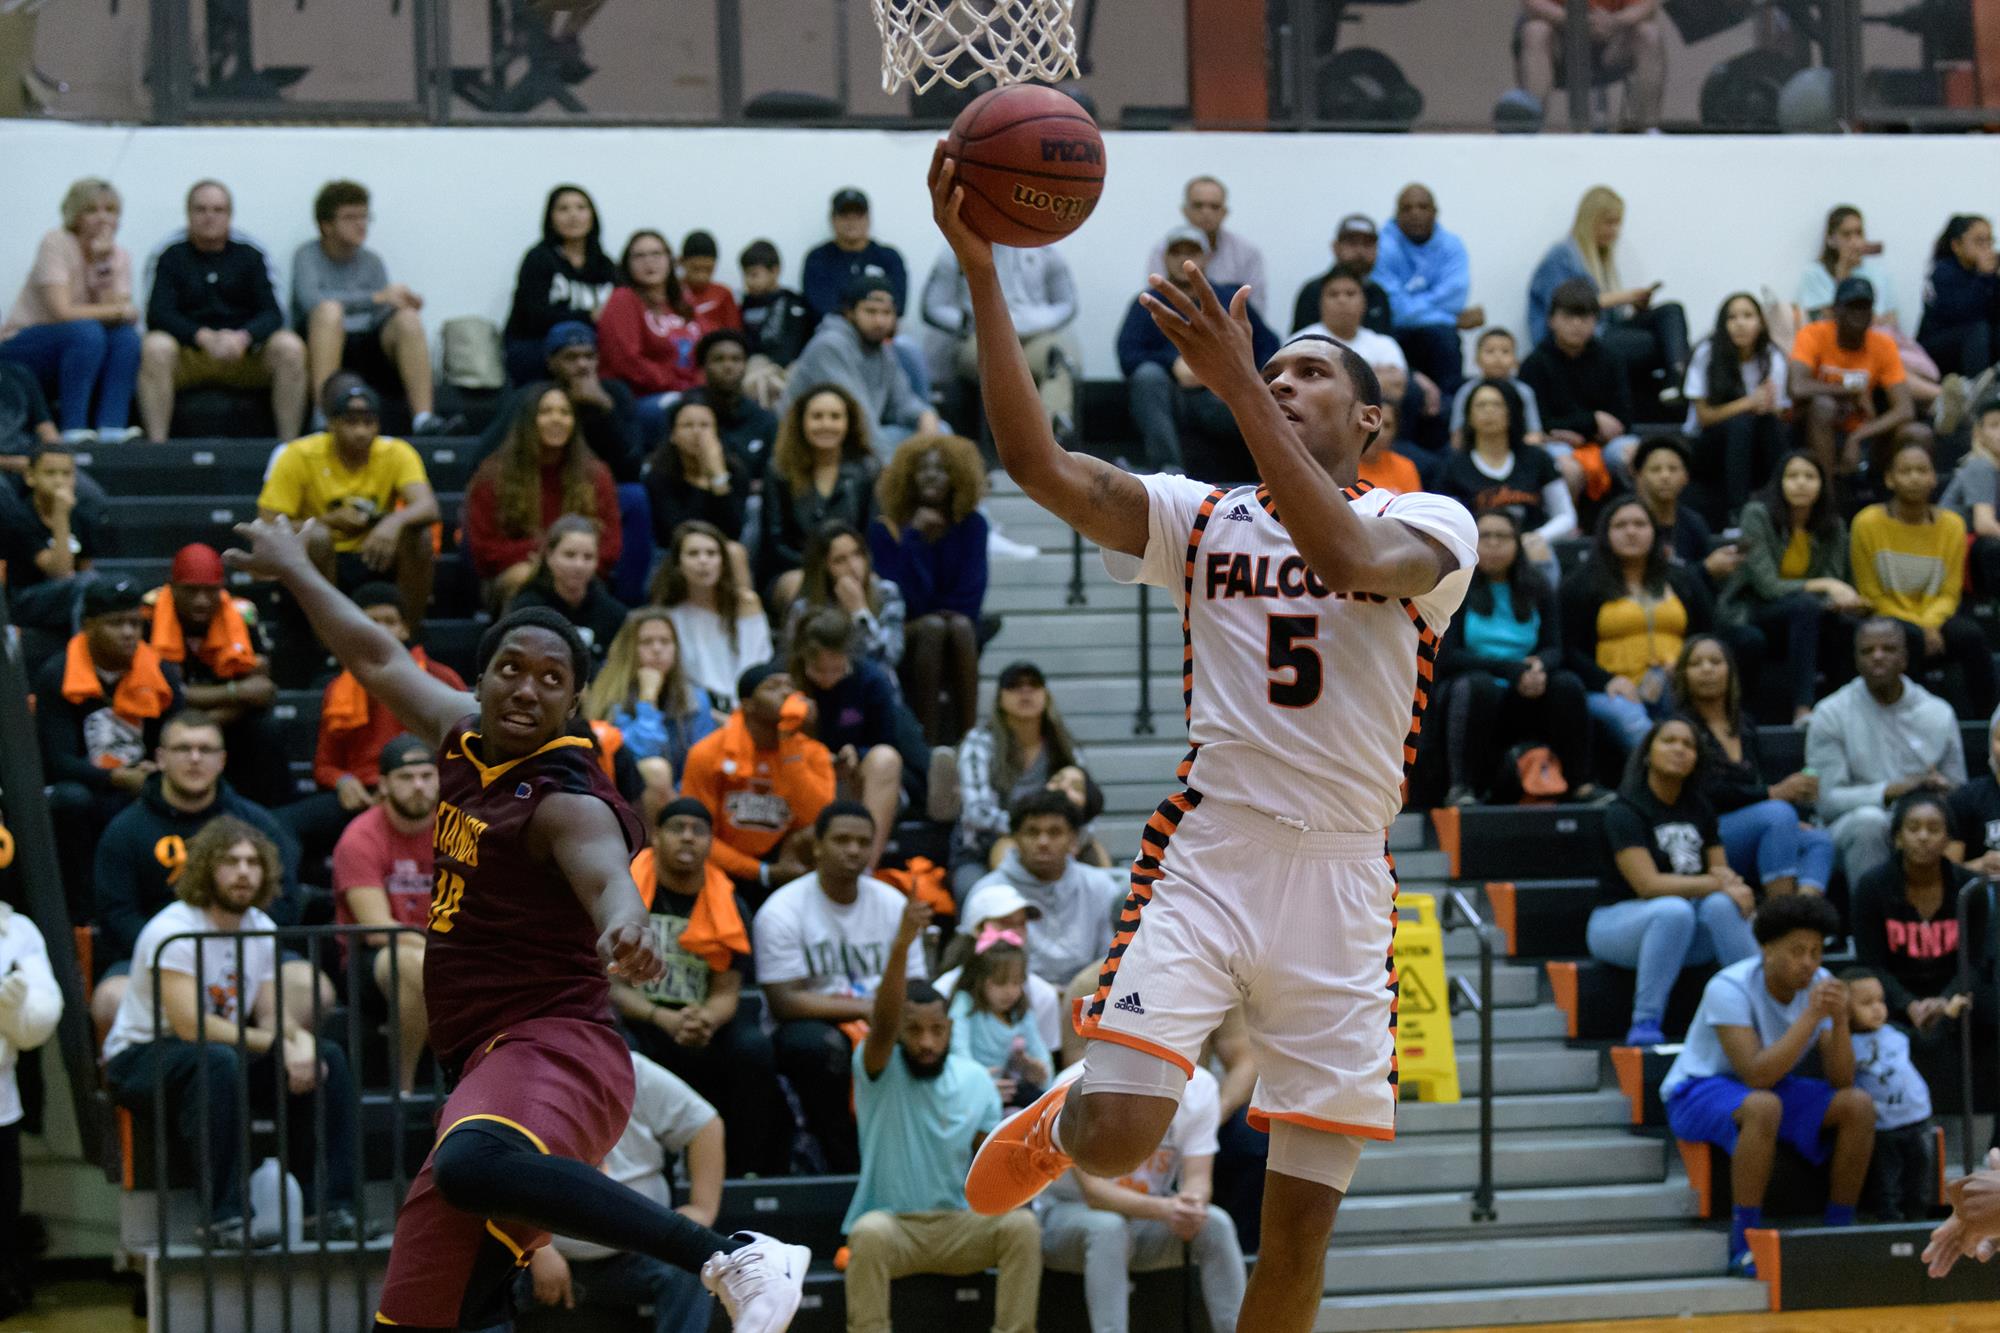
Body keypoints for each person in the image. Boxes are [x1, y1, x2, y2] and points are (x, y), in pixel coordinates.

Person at [932, 144, 1480, 1332]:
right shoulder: (1202, 515)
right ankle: (1072, 1104)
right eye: (1264, 369)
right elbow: (1033, 464)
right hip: (1212, 855)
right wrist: (981, 271)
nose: (1277, 381)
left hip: (1342, 883)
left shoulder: (1426, 517)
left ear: (1371, 414)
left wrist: (1232, 385)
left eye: (1305, 373)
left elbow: (1343, 558)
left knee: (1294, 1241)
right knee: (1123, 1136)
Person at [224, 514, 811, 1330]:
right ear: (482, 676)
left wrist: (629, 923)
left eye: (549, 677)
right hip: (482, 1073)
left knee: (472, 1160)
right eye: (511, 669)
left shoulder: (565, 799)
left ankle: (730, 1255)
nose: (528, 688)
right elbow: (376, 654)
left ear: (574, 698)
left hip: (556, 1048)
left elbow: (608, 876)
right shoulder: (461, 735)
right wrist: (296, 569)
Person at [101, 817, 361, 1249]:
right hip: (142, 1056)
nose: (243, 872)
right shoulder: (174, 928)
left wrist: (301, 1045)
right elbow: (190, 1026)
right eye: (231, 861)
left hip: (214, 1054)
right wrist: (279, 1044)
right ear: (206, 868)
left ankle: (330, 1210)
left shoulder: (259, 926)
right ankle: (225, 1219)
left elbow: (273, 1015)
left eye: (253, 863)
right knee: (216, 1060)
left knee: (327, 1058)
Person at [842, 895, 1042, 1333]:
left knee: (1021, 1227)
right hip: (896, 1227)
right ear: (898, 1033)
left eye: (937, 1030)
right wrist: (901, 945)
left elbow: (994, 1161)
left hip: (960, 1226)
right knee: (868, 1234)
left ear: (950, 1027)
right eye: (914, 1030)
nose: (927, 1042)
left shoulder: (974, 1080)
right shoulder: (879, 1067)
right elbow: (883, 1017)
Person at [1662, 891, 1875, 1279]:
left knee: (1857, 1104)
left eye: (1815, 951)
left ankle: (1839, 1228)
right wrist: (1812, 1017)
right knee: (1763, 1105)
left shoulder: (1822, 983)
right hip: (1698, 1089)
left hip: (1770, 1086)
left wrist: (1841, 1021)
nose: (1809, 963)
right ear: (1766, 949)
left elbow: (1841, 1080)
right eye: (1797, 951)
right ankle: (1744, 1240)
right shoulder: (1728, 987)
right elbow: (1756, 1074)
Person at [88, 708, 310, 1036]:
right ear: (161, 758)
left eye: (205, 750)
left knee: (307, 986)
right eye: (183, 749)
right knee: (110, 997)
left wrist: (231, 951)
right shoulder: (126, 829)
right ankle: (140, 1084)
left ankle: (272, 1078)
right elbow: (117, 913)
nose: (195, 759)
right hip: (158, 954)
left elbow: (283, 900)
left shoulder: (257, 824)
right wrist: (173, 951)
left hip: (246, 948)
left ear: (222, 761)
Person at [615, 798, 786, 1178]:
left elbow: (728, 990)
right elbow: (608, 985)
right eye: (677, 829)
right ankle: (629, 1171)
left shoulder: (729, 902)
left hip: (698, 1024)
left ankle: (745, 1174)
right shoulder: (622, 890)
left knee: (752, 1049)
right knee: (615, 1042)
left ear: (711, 841)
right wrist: (663, 1018)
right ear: (656, 836)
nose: (688, 838)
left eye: (699, 830)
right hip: (641, 1019)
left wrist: (702, 1017)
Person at [752, 801, 924, 1172]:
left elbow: (917, 984)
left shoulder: (891, 902)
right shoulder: (782, 909)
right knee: (820, 1049)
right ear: (817, 845)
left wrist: (882, 1014)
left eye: (863, 842)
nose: (853, 850)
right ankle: (841, 1162)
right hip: (812, 1028)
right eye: (842, 840)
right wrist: (865, 1010)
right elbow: (785, 1002)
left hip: (884, 1019)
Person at [516, 1050, 724, 1333]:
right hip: (534, 1254)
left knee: (693, 1265)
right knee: (470, 1265)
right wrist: (537, 1248)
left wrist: (703, 1208)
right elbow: (487, 1168)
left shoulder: (630, 1068)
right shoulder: (518, 1074)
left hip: (635, 1251)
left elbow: (704, 1123)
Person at [1041, 1055, 1247, 1333]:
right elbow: (1096, 1193)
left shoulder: (1201, 1086)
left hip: (1147, 1220)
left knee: (1215, 1222)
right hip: (1069, 1216)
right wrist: (1166, 1210)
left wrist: (1191, 1204)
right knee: (1108, 1228)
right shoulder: (1077, 1082)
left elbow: (1198, 1178)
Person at [1588, 717, 1758, 1046]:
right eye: (1669, 741)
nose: (1679, 749)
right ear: (1648, 754)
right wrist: (1718, 883)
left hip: (1684, 932)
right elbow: (1648, 886)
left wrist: (1730, 887)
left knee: (1723, 905)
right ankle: (1645, 1021)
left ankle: (1761, 1006)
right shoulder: (1624, 811)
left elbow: (1721, 877)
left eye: (1688, 745)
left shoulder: (1701, 809)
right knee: (1672, 910)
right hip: (1619, 925)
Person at [34, 578, 183, 913]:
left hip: (144, 782)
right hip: (89, 786)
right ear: (88, 626)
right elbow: (57, 761)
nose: (129, 632)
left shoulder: (161, 673)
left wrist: (159, 770)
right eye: (117, 624)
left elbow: (178, 739)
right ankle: (81, 911)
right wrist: (116, 778)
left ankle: (166, 902)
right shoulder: (56, 674)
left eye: (135, 623)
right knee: (72, 800)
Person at [296, 583, 467, 860]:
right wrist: (343, 782)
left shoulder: (441, 679)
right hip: (363, 797)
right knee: (283, 824)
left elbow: (467, 753)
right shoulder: (337, 689)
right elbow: (325, 765)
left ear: (405, 629)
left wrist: (420, 788)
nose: (381, 630)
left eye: (390, 621)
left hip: (426, 791)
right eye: (371, 622)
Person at [1433, 510, 1593, 805]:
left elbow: (1554, 647)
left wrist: (1539, 666)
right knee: (1477, 686)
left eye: (1502, 536)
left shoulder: (1538, 587)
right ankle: (1461, 788)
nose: (1493, 544)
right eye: (1485, 537)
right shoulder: (1454, 587)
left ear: (1517, 543)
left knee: (1566, 684)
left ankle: (1581, 783)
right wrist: (1510, 670)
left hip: (1525, 686)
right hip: (1474, 686)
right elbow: (1448, 656)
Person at [257, 375, 440, 623]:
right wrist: (327, 520)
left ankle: (409, 632)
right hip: (322, 558)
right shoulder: (298, 454)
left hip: (375, 553)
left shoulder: (396, 452)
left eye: (369, 422)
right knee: (318, 537)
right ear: (331, 424)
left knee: (419, 536)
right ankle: (326, 639)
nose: (361, 432)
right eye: (351, 422)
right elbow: (267, 526)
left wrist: (392, 523)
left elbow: (427, 506)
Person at [138, 180, 306, 443]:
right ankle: (158, 449)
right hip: (190, 354)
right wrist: (202, 336)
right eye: (201, 210)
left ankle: (288, 449)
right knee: (155, 347)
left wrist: (244, 337)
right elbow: (158, 313)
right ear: (188, 214)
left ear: (229, 215)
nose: (209, 217)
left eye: (218, 210)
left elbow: (273, 313)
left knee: (290, 347)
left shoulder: (251, 255)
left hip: (243, 354)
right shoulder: (170, 256)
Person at [1807, 617, 1965, 886]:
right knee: (1870, 822)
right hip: (1849, 830)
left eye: (1888, 649)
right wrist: (1890, 791)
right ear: (1856, 660)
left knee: (1925, 825)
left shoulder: (1937, 712)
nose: (1877, 657)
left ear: (1904, 657)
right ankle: (1874, 924)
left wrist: (1942, 789)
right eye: (1867, 651)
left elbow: (1960, 791)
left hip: (1920, 821)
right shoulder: (1830, 713)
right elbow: (1827, 801)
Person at [1672, 635, 1833, 898]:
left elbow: (1757, 782)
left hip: (1751, 828)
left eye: (1715, 661)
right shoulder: (1681, 728)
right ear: (1683, 675)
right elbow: (1703, 794)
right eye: (1696, 663)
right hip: (1703, 835)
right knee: (1778, 814)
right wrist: (1774, 795)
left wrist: (1786, 817)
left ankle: (1803, 915)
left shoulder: (1744, 725)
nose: (1707, 669)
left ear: (1730, 672)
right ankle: (1778, 921)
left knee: (1817, 840)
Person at [324, 731, 438, 1094]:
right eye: (406, 778)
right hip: (370, 960)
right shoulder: (360, 837)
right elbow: (376, 928)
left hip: (443, 952)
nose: (418, 786)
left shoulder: (458, 833)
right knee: (412, 962)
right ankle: (402, 1087)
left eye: (426, 776)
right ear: (384, 785)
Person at [1118, 227, 1280, 481]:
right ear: (1165, 258)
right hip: (1173, 395)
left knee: (1260, 390)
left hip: (1221, 395)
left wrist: (1237, 374)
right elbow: (1127, 354)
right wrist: (1173, 364)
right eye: (1176, 252)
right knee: (1147, 377)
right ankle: (1168, 471)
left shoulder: (1228, 297)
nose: (1183, 259)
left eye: (1191, 252)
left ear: (1207, 257)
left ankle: (1276, 475)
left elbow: (1267, 344)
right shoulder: (1148, 302)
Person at [1851, 440, 1995, 719]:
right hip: (1887, 615)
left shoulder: (1951, 525)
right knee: (1909, 637)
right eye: (1905, 471)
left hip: (1934, 617)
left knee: (1972, 636)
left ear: (1933, 478)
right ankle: (1909, 718)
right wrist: (1922, 627)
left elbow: (1949, 592)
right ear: (1889, 479)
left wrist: (1930, 623)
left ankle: (1988, 723)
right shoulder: (1867, 523)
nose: (1915, 477)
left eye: (1922, 470)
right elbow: (1871, 594)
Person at [1559, 499, 1717, 751]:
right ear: (1605, 534)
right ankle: (1654, 769)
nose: (1631, 531)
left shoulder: (1682, 579)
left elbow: (1707, 634)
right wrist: (1606, 681)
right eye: (1620, 525)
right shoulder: (1580, 584)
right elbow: (1568, 648)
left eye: (1640, 524)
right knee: (1629, 717)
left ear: (1654, 532)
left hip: (1676, 681)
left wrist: (1687, 663)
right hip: (1612, 690)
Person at [1717, 451, 1863, 725]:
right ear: (1779, 483)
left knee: (1848, 628)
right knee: (1804, 606)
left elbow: (1834, 580)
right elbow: (1768, 586)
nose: (1801, 483)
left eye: (1809, 477)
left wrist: (1839, 597)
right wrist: (1827, 585)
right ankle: (1802, 708)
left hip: (1804, 616)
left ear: (1822, 484)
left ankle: (1849, 715)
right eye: (1792, 476)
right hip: (1754, 610)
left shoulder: (1833, 525)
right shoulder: (1756, 515)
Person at [290, 179, 440, 432]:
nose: (360, 224)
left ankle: (424, 419)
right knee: (329, 312)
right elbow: (311, 302)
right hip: (323, 339)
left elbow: (380, 312)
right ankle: (324, 418)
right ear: (326, 225)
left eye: (364, 216)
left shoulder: (372, 261)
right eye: (350, 217)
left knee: (407, 320)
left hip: (368, 343)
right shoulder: (307, 256)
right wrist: (375, 298)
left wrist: (401, 304)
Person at [869, 433, 990, 746]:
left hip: (955, 626)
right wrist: (915, 539)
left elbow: (970, 598)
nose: (932, 475)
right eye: (923, 468)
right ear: (909, 476)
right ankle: (926, 742)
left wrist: (938, 608)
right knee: (936, 625)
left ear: (958, 477)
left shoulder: (973, 525)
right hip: (904, 629)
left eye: (943, 469)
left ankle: (969, 740)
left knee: (960, 625)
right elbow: (900, 598)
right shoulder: (887, 529)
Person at [680, 662, 835, 902]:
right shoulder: (707, 753)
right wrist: (762, 872)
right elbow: (699, 833)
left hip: (790, 866)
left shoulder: (813, 753)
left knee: (820, 833)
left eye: (790, 688)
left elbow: (818, 820)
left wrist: (789, 743)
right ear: (747, 704)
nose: (786, 694)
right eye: (773, 687)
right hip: (721, 867)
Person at [0, 176, 139, 441]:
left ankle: (112, 428)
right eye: (91, 210)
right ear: (75, 214)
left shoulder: (118, 255)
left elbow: (118, 315)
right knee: (86, 331)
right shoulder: (56, 243)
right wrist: (120, 312)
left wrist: (101, 264)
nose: (102, 218)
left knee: (126, 338)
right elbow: (61, 312)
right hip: (26, 344)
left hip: (82, 344)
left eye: (110, 211)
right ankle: (72, 427)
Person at [791, 607, 930, 868]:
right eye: (819, 671)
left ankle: (864, 867)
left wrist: (858, 753)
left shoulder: (871, 680)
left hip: (853, 774)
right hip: (800, 770)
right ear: (803, 659)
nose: (828, 678)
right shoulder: (785, 679)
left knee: (885, 759)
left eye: (836, 669)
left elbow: (886, 740)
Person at [1526, 186, 1688, 405]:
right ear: (1589, 220)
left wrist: (1635, 305)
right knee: (1657, 343)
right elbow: (1567, 305)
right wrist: (1625, 296)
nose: (1614, 230)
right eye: (1609, 222)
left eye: (1618, 223)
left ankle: (1677, 380)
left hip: (1606, 330)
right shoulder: (1562, 256)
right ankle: (1677, 383)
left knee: (1671, 312)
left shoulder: (1601, 260)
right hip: (1577, 339)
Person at [465, 381, 622, 605]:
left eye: (565, 412)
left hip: (580, 569)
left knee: (577, 579)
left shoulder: (596, 474)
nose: (556, 419)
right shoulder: (493, 474)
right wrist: (548, 558)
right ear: (528, 422)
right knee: (524, 578)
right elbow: (484, 549)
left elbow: (610, 545)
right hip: (514, 573)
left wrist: (569, 560)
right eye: (546, 412)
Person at [952, 664, 1103, 894]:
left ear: (1046, 695)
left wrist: (1072, 839)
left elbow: (1088, 804)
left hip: (1055, 841)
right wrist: (1026, 832)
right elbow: (977, 812)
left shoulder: (1063, 745)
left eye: (1034, 685)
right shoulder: (980, 742)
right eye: (1014, 686)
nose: (1025, 692)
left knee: (1100, 872)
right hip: (984, 846)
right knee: (972, 890)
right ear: (999, 699)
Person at [143, 542, 282, 792]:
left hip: (230, 719)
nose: (201, 601)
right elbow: (155, 693)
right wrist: (235, 692)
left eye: (210, 591)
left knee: (265, 728)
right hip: (166, 720)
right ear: (171, 587)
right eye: (191, 591)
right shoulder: (147, 614)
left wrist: (200, 718)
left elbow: (260, 691)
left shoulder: (243, 614)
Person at [1850, 791, 1985, 1046]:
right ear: (1898, 837)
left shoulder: (1969, 889)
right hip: (1893, 999)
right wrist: (1908, 1004)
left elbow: (1975, 961)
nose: (1923, 837)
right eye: (1913, 828)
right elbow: (1871, 963)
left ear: (1948, 838)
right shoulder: (1871, 887)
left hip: (1955, 996)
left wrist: (1946, 999)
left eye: (1933, 829)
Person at [965, 790, 1127, 994]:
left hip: (1089, 1001)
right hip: (1016, 1002)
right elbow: (976, 970)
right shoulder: (987, 893)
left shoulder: (1101, 887)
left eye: (1055, 832)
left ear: (1073, 838)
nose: (1043, 842)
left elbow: (1111, 963)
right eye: (1032, 832)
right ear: (1014, 837)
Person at [923, 244, 1081, 432]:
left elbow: (1067, 303)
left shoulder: (1045, 249)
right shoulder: (957, 250)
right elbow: (933, 307)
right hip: (981, 336)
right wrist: (970, 322)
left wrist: (1033, 320)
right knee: (1001, 362)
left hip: (1033, 337)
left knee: (1058, 358)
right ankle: (1014, 439)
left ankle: (1050, 435)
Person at [1789, 277, 1931, 483]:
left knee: (1918, 433)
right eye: (1851, 307)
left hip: (1861, 429)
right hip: (1812, 427)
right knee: (1823, 405)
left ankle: (1902, 505)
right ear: (1835, 310)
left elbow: (1905, 409)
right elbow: (1797, 387)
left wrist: (1859, 436)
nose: (1858, 314)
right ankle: (1826, 499)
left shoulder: (1883, 344)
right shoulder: (1813, 334)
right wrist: (1851, 389)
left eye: (1865, 307)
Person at [779, 274, 940, 453]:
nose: (879, 321)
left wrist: (925, 415)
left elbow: (901, 400)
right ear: (850, 313)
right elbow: (859, 419)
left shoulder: (881, 349)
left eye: (886, 313)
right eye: (870, 312)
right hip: (813, 444)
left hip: (857, 437)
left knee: (939, 430)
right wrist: (893, 474)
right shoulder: (830, 346)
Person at [584, 609, 720, 813]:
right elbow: (641, 756)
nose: (657, 649)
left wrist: (680, 801)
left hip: (683, 798)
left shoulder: (695, 698)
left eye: (665, 641)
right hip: (623, 797)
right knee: (655, 770)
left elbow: (704, 760)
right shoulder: (611, 697)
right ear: (629, 649)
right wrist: (648, 698)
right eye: (646, 642)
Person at [1435, 378, 1574, 567]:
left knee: (1541, 553)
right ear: (1468, 415)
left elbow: (1566, 516)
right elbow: (1446, 523)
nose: (1489, 411)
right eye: (1481, 405)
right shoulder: (1453, 467)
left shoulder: (1538, 459)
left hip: (1529, 548)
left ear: (1512, 412)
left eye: (1497, 404)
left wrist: (1538, 537)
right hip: (1476, 553)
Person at [756, 384, 879, 597]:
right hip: (793, 568)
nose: (826, 424)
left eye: (835, 417)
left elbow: (871, 534)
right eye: (817, 416)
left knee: (877, 588)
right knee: (799, 586)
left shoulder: (867, 469)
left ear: (848, 423)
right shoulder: (779, 470)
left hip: (853, 567)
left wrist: (846, 566)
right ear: (801, 422)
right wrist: (822, 568)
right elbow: (775, 541)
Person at [1520, 278, 1638, 494]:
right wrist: (1592, 420)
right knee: (1566, 467)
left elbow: (1624, 419)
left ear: (1595, 321)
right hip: (1555, 443)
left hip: (1606, 444)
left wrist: (1587, 428)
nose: (1576, 324)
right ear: (1551, 320)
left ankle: (1637, 520)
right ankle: (1569, 526)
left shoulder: (1611, 359)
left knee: (1635, 455)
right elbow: (1539, 423)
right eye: (1568, 317)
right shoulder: (1534, 364)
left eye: (1584, 317)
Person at [0, 897, 60, 1318]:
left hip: (1, 1102)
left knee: (3, 1206)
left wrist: (12, 1010)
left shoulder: (16, 929)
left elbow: (37, 1023)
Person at [1841, 967, 1938, 1221]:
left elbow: (1929, 1045)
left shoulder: (1896, 1032)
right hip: (1883, 1127)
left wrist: (1944, 1017)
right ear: (1844, 1009)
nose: (1877, 1008)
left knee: (1920, 1178)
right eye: (1866, 1003)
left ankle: (1919, 1224)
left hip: (1918, 1118)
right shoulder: (1844, 1044)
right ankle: (1890, 1228)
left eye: (1880, 1001)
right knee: (1888, 1183)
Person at [1685, 293, 1791, 524]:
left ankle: (1783, 505)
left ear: (1761, 323)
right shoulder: (1707, 352)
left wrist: (1768, 407)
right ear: (1723, 324)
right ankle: (1737, 512)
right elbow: (1703, 417)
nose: (1740, 323)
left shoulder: (1772, 356)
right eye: (1731, 317)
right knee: (1741, 422)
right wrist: (1749, 403)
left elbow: (1780, 412)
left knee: (1770, 424)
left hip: (1753, 444)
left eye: (1748, 316)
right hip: (1708, 445)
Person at [598, 229, 705, 448]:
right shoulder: (623, 299)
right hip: (645, 398)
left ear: (670, 260)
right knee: (687, 414)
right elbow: (626, 360)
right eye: (639, 256)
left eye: (657, 254)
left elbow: (706, 350)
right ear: (627, 264)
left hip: (691, 390)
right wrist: (677, 385)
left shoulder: (683, 301)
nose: (649, 262)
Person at [504, 184, 618, 385]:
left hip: (592, 351)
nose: (573, 215)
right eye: (563, 209)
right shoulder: (538, 258)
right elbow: (535, 317)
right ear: (551, 218)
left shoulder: (606, 265)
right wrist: (588, 316)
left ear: (592, 216)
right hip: (537, 347)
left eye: (581, 208)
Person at [934, 880, 1063, 1058]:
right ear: (978, 929)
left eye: (1022, 924)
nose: (1016, 932)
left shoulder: (1044, 995)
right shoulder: (944, 989)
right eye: (1006, 923)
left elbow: (1046, 1061)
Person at [651, 520, 773, 705]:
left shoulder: (746, 603)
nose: (703, 561)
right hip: (698, 711)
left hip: (747, 707)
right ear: (678, 564)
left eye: (711, 553)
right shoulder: (668, 615)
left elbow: (756, 662)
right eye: (693, 554)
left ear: (723, 562)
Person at [1374, 183, 1478, 398]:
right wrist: (1452, 318)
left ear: (1435, 212)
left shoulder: (1452, 245)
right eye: (1407, 208)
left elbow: (1455, 299)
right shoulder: (1382, 245)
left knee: (1445, 338)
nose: (1415, 214)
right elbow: (1393, 310)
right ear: (1396, 214)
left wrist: (1414, 306)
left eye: (1423, 207)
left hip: (1438, 337)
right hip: (1395, 334)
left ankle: (1448, 416)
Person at [0, 439, 98, 658]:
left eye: (66, 474)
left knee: (102, 590)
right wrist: (61, 515)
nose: (59, 481)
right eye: (50, 473)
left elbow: (86, 567)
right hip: (26, 600)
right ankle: (83, 661)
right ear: (30, 476)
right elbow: (59, 573)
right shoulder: (20, 518)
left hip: (69, 596)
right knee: (85, 585)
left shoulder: (82, 516)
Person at [776, 520, 906, 672]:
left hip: (874, 688)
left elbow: (888, 658)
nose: (853, 567)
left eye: (857, 554)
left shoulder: (887, 593)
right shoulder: (804, 607)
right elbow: (789, 663)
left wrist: (860, 612)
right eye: (840, 560)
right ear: (824, 568)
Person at [1514, 0, 1665, 130]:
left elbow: (1647, 6)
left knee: (1649, 33)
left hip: (1613, 44)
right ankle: (1529, 129)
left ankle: (1649, 129)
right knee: (1535, 31)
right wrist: (1572, 20)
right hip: (1562, 43)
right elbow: (1532, 4)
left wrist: (1616, 21)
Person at [948, 926, 1051, 1109]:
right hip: (968, 1088)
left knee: (1039, 1102)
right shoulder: (966, 1003)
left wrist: (1039, 1071)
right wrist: (979, 1082)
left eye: (1017, 983)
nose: (1010, 991)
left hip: (1004, 1089)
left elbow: (1040, 1053)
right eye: (1000, 983)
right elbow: (959, 1050)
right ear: (978, 979)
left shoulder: (1020, 1012)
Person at [507, 514, 629, 662]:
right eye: (569, 555)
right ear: (549, 556)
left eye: (588, 557)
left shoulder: (614, 615)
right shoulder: (526, 610)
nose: (579, 565)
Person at [1145, 176, 1267, 314]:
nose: (1206, 212)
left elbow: (1255, 314)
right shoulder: (1162, 250)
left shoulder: (1247, 253)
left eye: (1214, 206)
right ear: (1185, 210)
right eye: (1198, 205)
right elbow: (1154, 304)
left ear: (1224, 212)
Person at [1631, 437, 1743, 588]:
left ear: (1685, 477)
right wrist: (1704, 570)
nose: (1665, 476)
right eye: (1655, 469)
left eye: (1673, 469)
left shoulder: (1693, 522)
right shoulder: (1628, 522)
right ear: (1639, 477)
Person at [644, 393, 749, 548]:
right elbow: (674, 535)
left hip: (721, 556)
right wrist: (702, 486)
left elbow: (732, 533)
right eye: (687, 425)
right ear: (673, 435)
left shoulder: (735, 471)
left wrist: (718, 477)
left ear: (716, 432)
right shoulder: (658, 475)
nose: (697, 432)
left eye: (704, 425)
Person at [802, 188, 909, 322]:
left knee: (905, 343)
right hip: (835, 331)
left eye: (858, 215)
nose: (851, 221)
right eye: (844, 215)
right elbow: (820, 306)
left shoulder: (889, 257)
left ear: (869, 219)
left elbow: (898, 305)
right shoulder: (818, 258)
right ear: (832, 219)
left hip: (880, 330)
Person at [1917, 214, 2000, 381]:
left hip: (1975, 344)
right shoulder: (1943, 272)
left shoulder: (1988, 272)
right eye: (1979, 241)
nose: (1987, 248)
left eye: (1989, 241)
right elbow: (1961, 313)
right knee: (1977, 330)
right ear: (1956, 245)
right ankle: (1978, 396)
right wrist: (1984, 277)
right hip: (1937, 347)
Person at [1289, 213, 1391, 338]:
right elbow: (1298, 348)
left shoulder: (1378, 294)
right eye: (1352, 243)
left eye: (1367, 244)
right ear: (1335, 247)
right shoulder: (1313, 291)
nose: (1360, 251)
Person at [695, 328, 780, 472]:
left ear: (746, 365)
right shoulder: (686, 413)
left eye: (736, 359)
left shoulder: (765, 420)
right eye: (718, 359)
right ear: (704, 365)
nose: (728, 366)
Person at [1939, 396, 2000, 595]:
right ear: (1978, 434)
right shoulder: (1979, 465)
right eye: (1995, 425)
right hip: (1951, 548)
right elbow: (1985, 524)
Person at [1447, 328, 1546, 448]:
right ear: (1476, 359)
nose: (1497, 357)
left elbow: (1535, 432)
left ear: (1516, 360)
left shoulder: (1524, 392)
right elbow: (1457, 434)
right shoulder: (1466, 391)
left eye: (1505, 351)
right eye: (1490, 351)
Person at [738, 239, 814, 379]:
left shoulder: (794, 304)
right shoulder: (745, 306)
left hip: (790, 366)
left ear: (774, 271)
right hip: (757, 366)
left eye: (754, 274)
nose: (748, 281)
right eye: (745, 275)